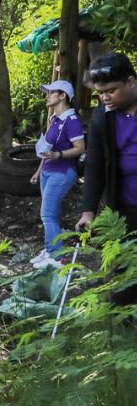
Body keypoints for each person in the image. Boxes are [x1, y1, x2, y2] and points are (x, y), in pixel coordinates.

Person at [77, 53, 137, 309]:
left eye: (111, 90)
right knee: (124, 269)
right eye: (100, 93)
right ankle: (124, 330)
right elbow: (95, 164)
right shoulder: (104, 115)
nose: (104, 97)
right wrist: (88, 210)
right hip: (125, 205)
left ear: (131, 82)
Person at [29, 80, 85, 268]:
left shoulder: (72, 121)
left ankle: (56, 258)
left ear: (63, 96)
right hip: (47, 172)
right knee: (49, 215)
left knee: (47, 215)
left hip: (62, 172)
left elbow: (80, 148)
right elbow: (47, 149)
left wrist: (58, 155)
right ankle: (50, 250)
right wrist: (38, 171)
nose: (47, 95)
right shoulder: (55, 119)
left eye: (51, 92)